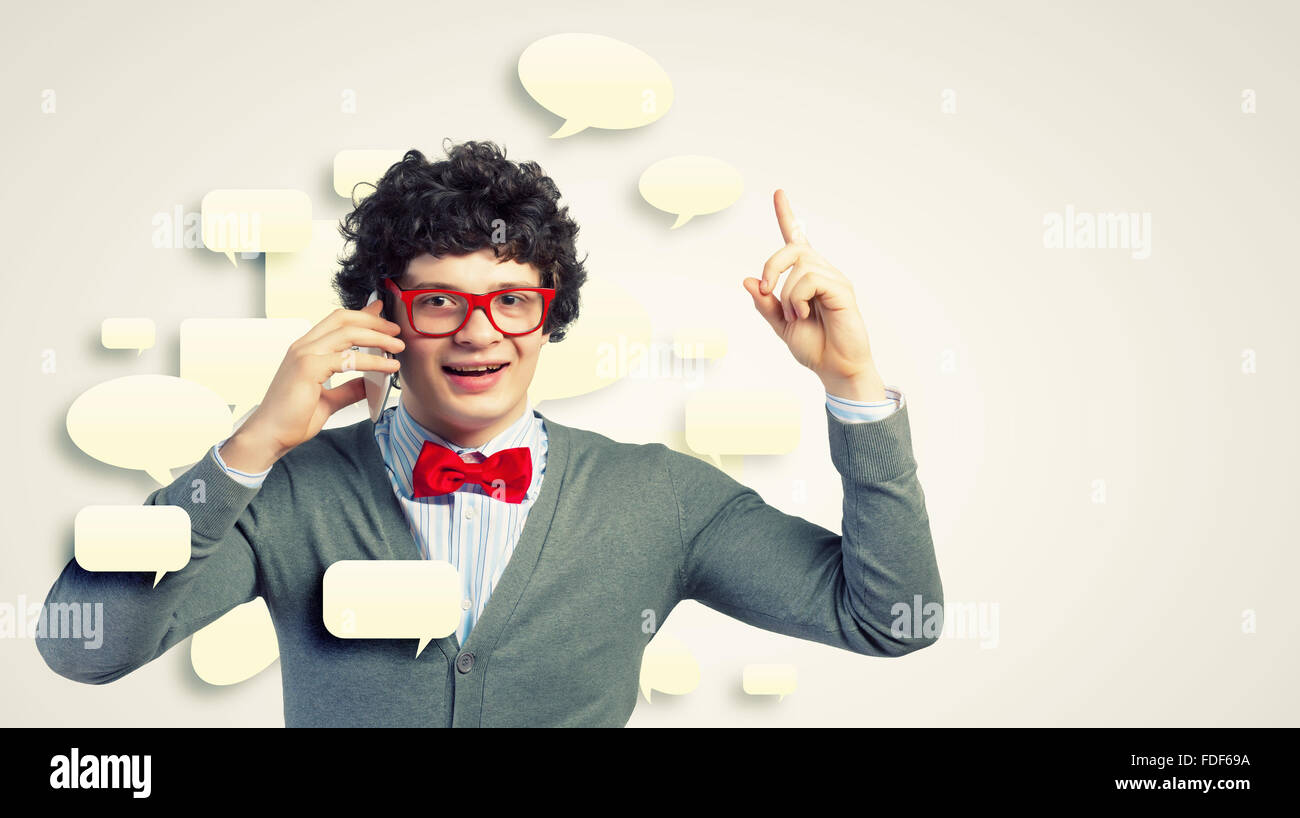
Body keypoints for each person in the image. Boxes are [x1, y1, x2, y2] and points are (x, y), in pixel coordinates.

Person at [38, 139, 943, 727]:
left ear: (549, 317)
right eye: (440, 303)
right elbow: (84, 647)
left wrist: (852, 385)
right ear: (381, 317)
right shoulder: (286, 494)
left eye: (512, 301)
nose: (479, 334)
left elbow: (892, 620)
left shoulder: (661, 498)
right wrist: (248, 450)